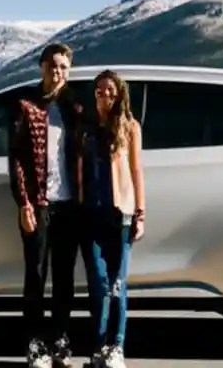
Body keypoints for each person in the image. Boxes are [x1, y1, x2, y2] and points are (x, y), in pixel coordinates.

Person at [9, 42, 85, 368]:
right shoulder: (25, 105)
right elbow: (16, 160)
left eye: (64, 67)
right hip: (38, 204)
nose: (58, 72)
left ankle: (61, 340)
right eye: (53, 65)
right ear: (41, 66)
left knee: (65, 278)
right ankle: (35, 343)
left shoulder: (75, 106)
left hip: (68, 204)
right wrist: (23, 203)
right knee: (35, 276)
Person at [78, 69, 145, 368]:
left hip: (120, 215)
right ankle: (98, 347)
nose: (104, 95)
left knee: (118, 283)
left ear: (119, 94)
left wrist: (140, 212)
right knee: (98, 284)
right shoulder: (86, 129)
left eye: (110, 90)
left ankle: (116, 347)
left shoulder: (129, 127)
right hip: (90, 214)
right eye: (99, 90)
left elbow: (136, 170)